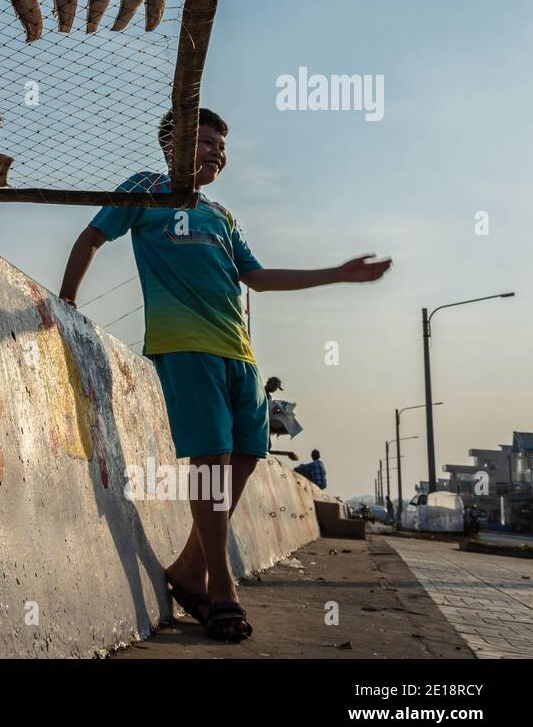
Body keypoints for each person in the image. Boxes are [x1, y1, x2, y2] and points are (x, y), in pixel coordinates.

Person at [58, 107, 390, 641]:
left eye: (221, 147)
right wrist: (68, 302)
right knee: (209, 461)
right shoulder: (146, 190)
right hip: (183, 347)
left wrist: (339, 275)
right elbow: (91, 237)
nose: (218, 153)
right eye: (207, 142)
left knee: (246, 457)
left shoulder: (221, 216)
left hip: (239, 354)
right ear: (175, 146)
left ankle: (188, 570)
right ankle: (222, 586)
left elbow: (257, 277)